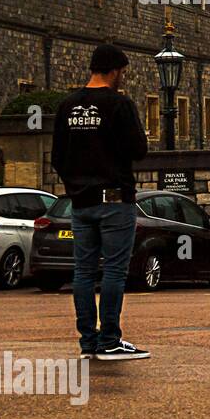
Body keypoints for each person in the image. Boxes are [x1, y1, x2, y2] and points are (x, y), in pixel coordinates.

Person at [51, 44, 150, 361]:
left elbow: (57, 158)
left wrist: (76, 185)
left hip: (80, 202)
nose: (123, 78)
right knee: (114, 272)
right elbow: (138, 149)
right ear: (115, 71)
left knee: (82, 272)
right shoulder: (119, 105)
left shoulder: (67, 106)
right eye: (123, 73)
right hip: (114, 200)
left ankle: (88, 341)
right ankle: (109, 339)